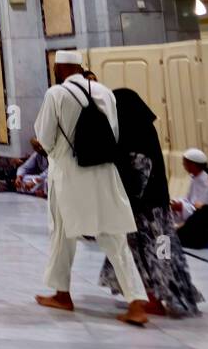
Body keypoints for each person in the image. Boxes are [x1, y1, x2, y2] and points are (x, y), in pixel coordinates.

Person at [32, 50, 149, 325]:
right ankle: (136, 303)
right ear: (79, 66)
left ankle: (62, 295)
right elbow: (115, 134)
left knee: (62, 234)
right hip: (105, 173)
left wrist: (50, 147)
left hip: (68, 175)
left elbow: (45, 137)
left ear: (60, 69)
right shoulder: (104, 92)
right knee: (115, 239)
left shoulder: (56, 94)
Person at [98, 89, 203, 317]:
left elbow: (139, 172)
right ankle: (163, 296)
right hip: (159, 212)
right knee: (164, 253)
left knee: (150, 254)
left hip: (144, 213)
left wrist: (127, 201)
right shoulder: (146, 131)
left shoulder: (132, 135)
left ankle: (153, 298)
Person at [175, 148, 208, 248]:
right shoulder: (195, 178)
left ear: (192, 165)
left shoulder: (207, 180)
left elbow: (206, 208)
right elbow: (190, 199)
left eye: (185, 163)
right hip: (199, 212)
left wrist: (183, 207)